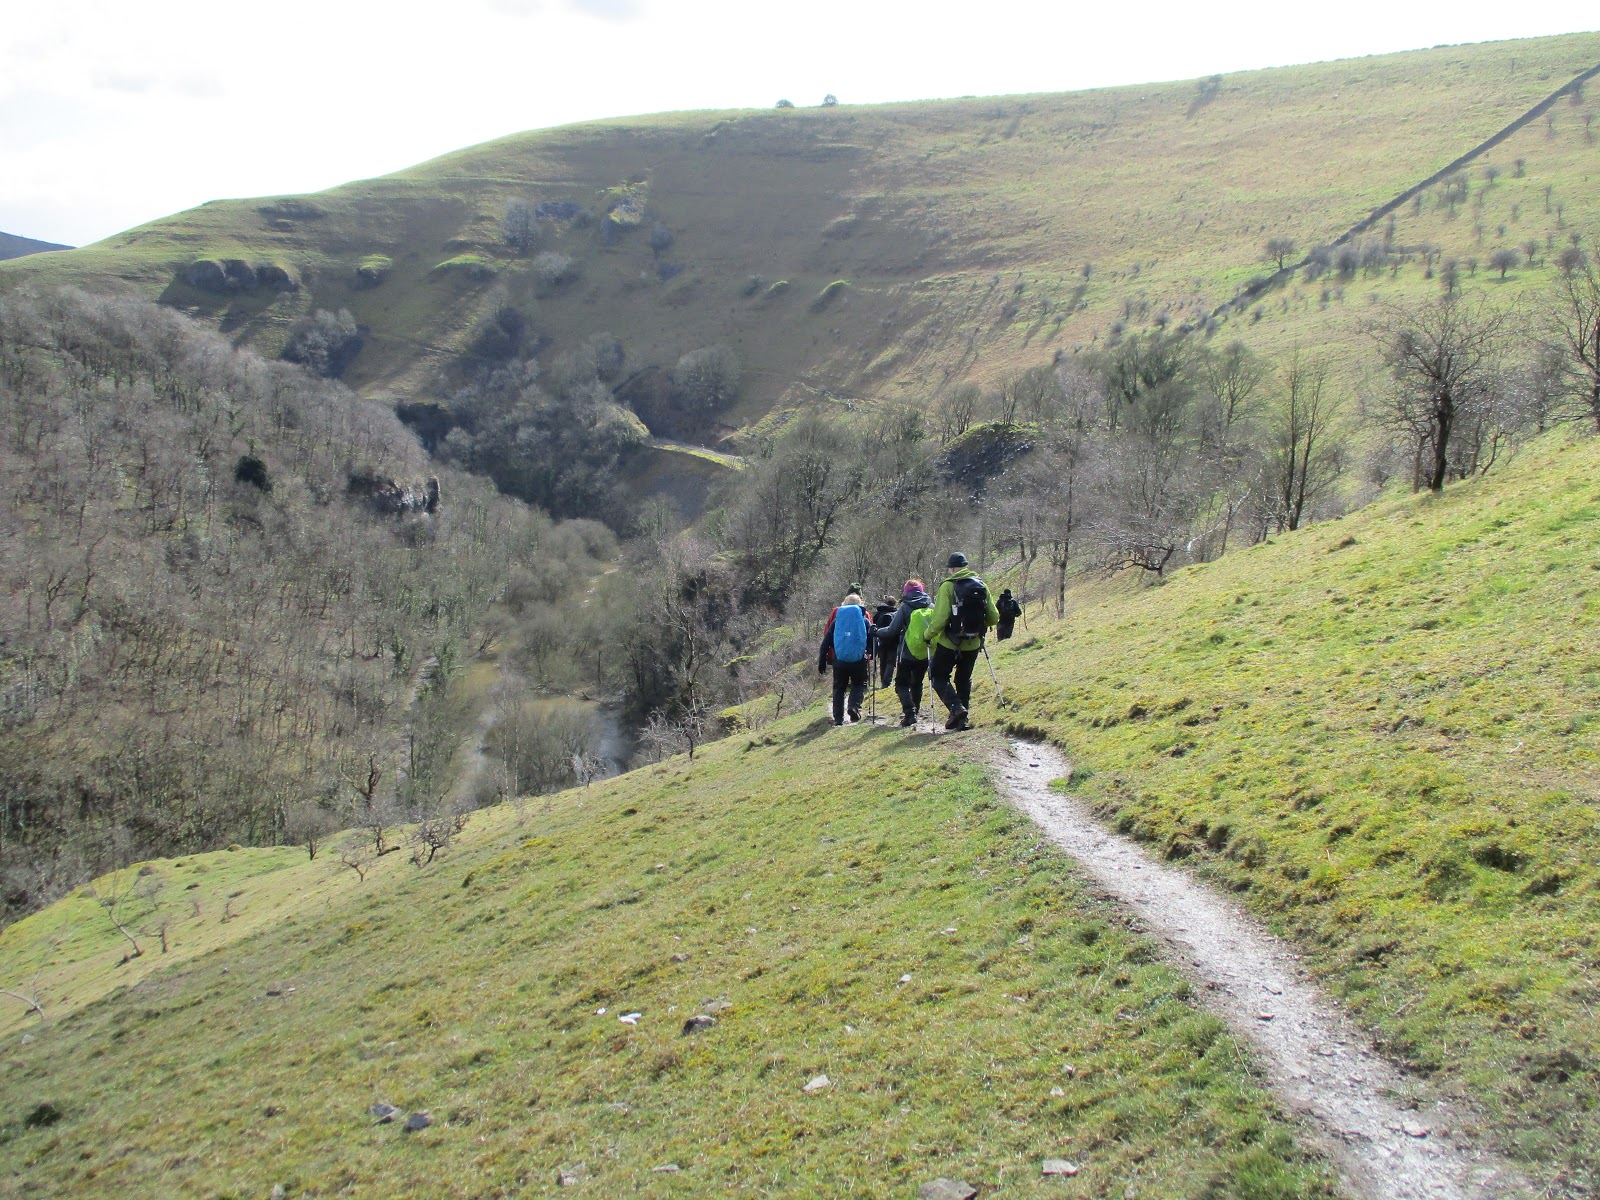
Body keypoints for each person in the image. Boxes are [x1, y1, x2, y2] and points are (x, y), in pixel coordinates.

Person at [925, 552, 999, 730]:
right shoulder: (981, 585)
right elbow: (994, 616)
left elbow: (941, 618)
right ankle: (962, 720)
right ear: (966, 566)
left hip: (949, 642)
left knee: (938, 675)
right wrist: (980, 626)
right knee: (963, 679)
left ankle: (956, 708)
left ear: (951, 568)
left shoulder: (948, 586)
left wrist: (927, 635)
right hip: (973, 643)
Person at [881, 578, 933, 726]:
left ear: (906, 592)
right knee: (917, 683)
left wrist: (877, 631)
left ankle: (909, 714)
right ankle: (915, 712)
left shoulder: (904, 607)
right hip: (925, 650)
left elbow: (892, 630)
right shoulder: (931, 605)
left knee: (901, 684)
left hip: (907, 652)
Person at [817, 591, 874, 725]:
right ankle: (853, 706)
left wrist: (822, 660)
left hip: (839, 660)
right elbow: (872, 639)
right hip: (859, 660)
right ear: (860, 605)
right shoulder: (864, 620)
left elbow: (826, 641)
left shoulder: (838, 621)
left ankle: (838, 719)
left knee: (839, 688)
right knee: (859, 684)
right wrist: (870, 652)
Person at [872, 594, 900, 689]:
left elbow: (873, 624)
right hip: (893, 640)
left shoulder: (879, 613)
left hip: (881, 639)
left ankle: (883, 680)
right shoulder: (896, 613)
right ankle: (886, 682)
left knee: (883, 660)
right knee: (891, 661)